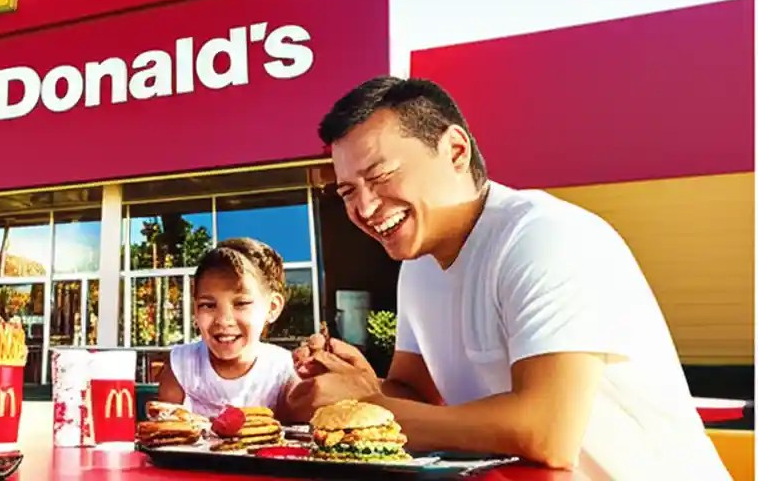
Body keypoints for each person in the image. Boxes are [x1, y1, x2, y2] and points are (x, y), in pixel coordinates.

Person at [288, 76, 729, 479]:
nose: (364, 208)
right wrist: (359, 385)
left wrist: (369, 406)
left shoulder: (545, 236)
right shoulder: (418, 267)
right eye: (347, 191)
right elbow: (417, 397)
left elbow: (546, 433)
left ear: (455, 150)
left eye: (381, 176)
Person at [158, 238, 301, 421]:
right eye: (208, 305)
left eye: (241, 304)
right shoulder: (181, 365)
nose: (224, 321)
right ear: (195, 309)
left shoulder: (283, 369)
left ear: (272, 308)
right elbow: (164, 431)